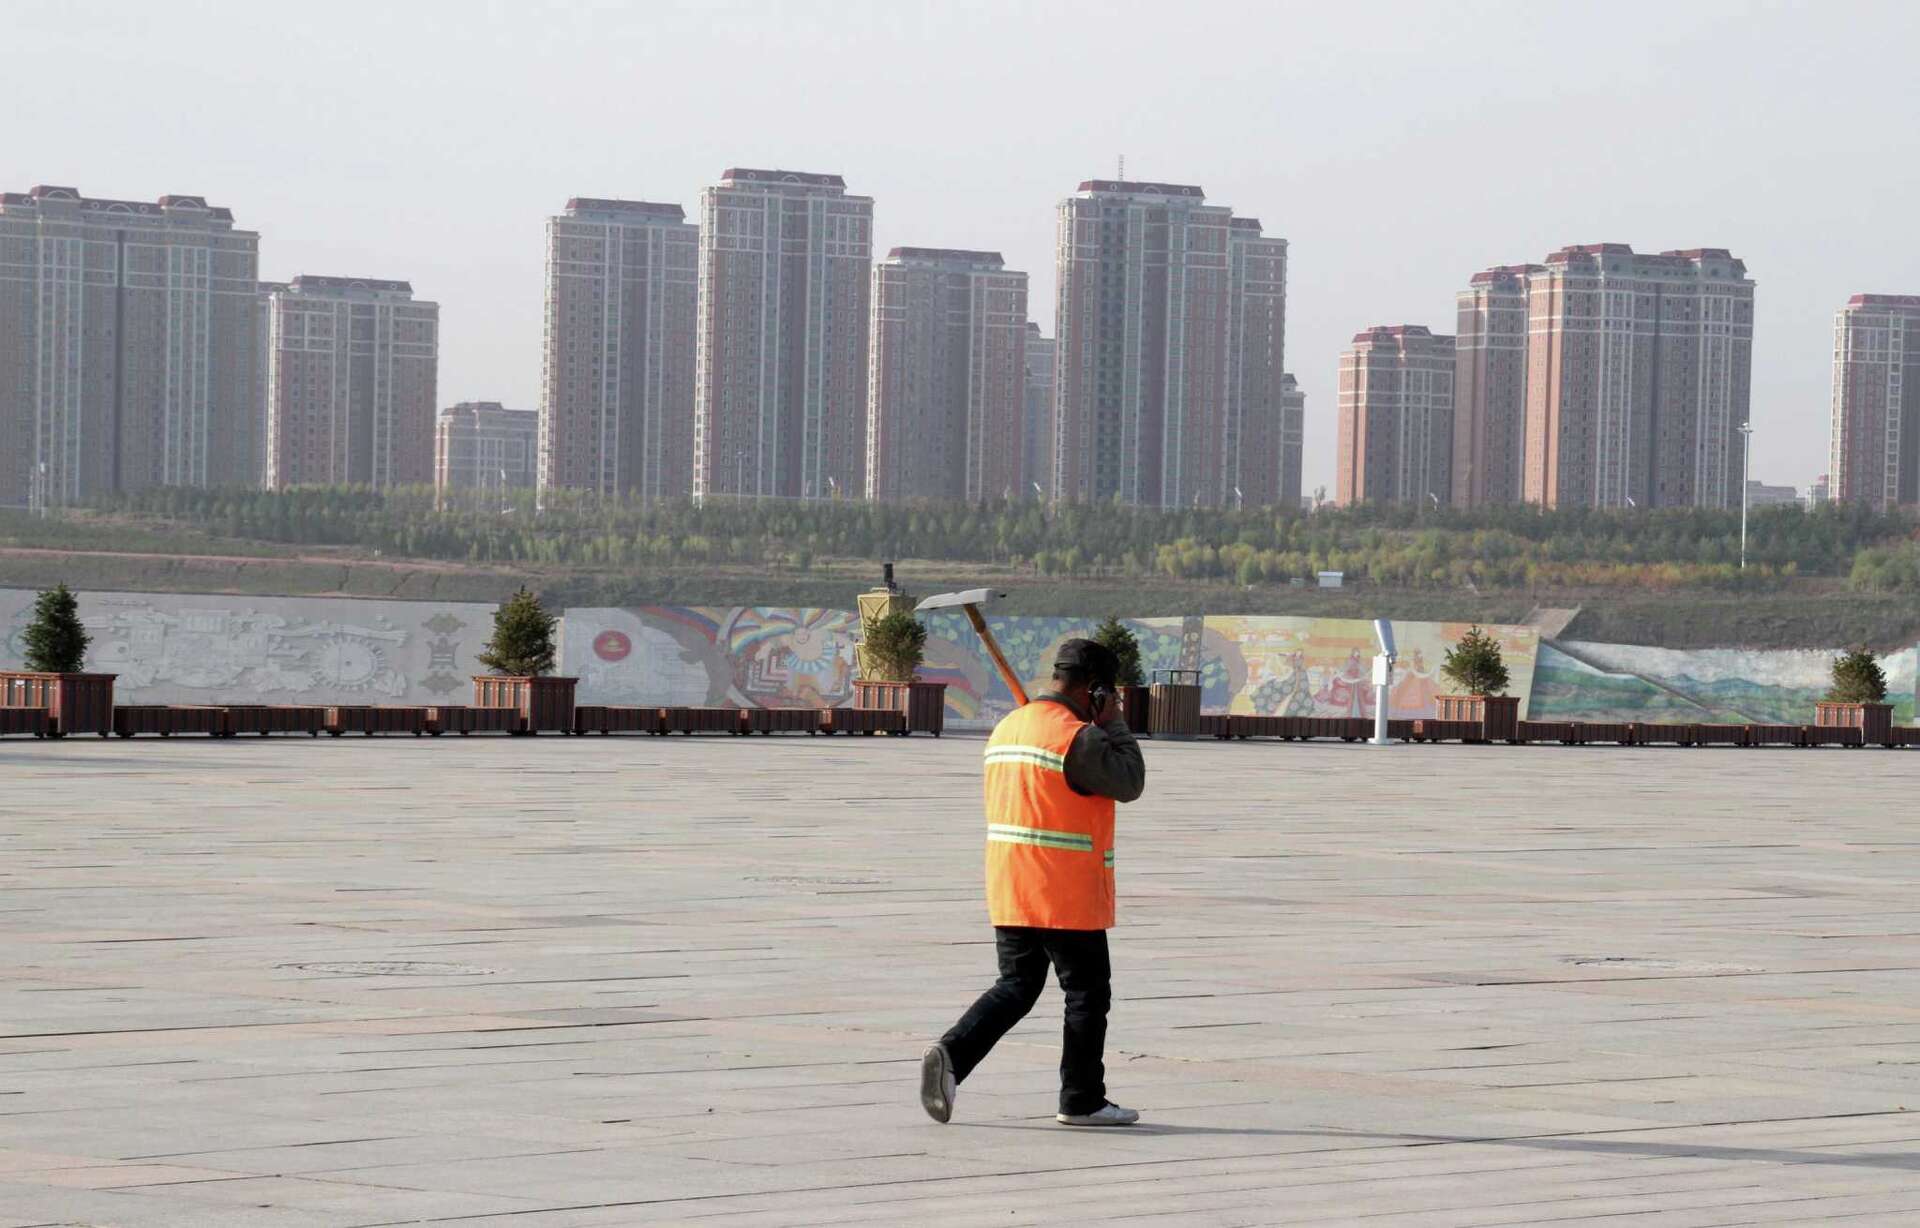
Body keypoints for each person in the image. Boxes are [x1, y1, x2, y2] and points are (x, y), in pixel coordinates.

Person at [920, 638, 1148, 1127]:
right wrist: (1114, 722)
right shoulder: (1076, 738)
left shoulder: (1009, 726)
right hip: (1063, 889)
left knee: (1017, 985)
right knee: (1086, 993)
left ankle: (952, 1056)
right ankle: (1081, 1099)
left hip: (1011, 883)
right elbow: (1129, 781)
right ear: (1096, 689)